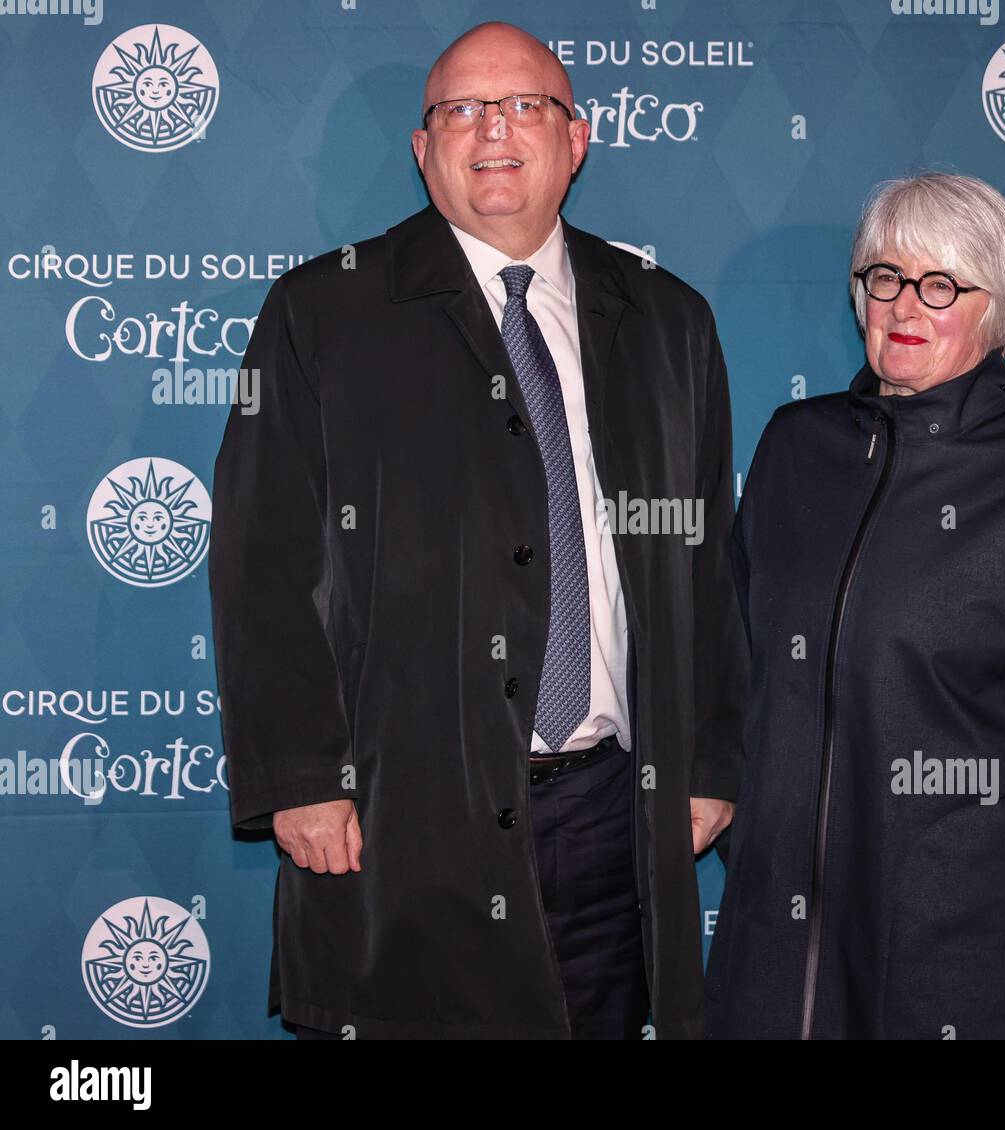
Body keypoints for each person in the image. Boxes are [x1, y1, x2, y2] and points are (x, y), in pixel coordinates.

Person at [209, 21, 746, 1040]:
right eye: (459, 109)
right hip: (400, 817)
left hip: (608, 819)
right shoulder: (321, 310)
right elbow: (260, 560)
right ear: (423, 149)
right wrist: (302, 777)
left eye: (523, 105)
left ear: (575, 140)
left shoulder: (668, 320)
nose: (490, 128)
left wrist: (712, 762)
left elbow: (707, 563)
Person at [705, 172, 1005, 1039]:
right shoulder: (793, 448)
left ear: (1001, 315)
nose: (904, 305)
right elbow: (735, 667)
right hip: (778, 937)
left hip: (968, 950)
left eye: (942, 284)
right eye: (884, 277)